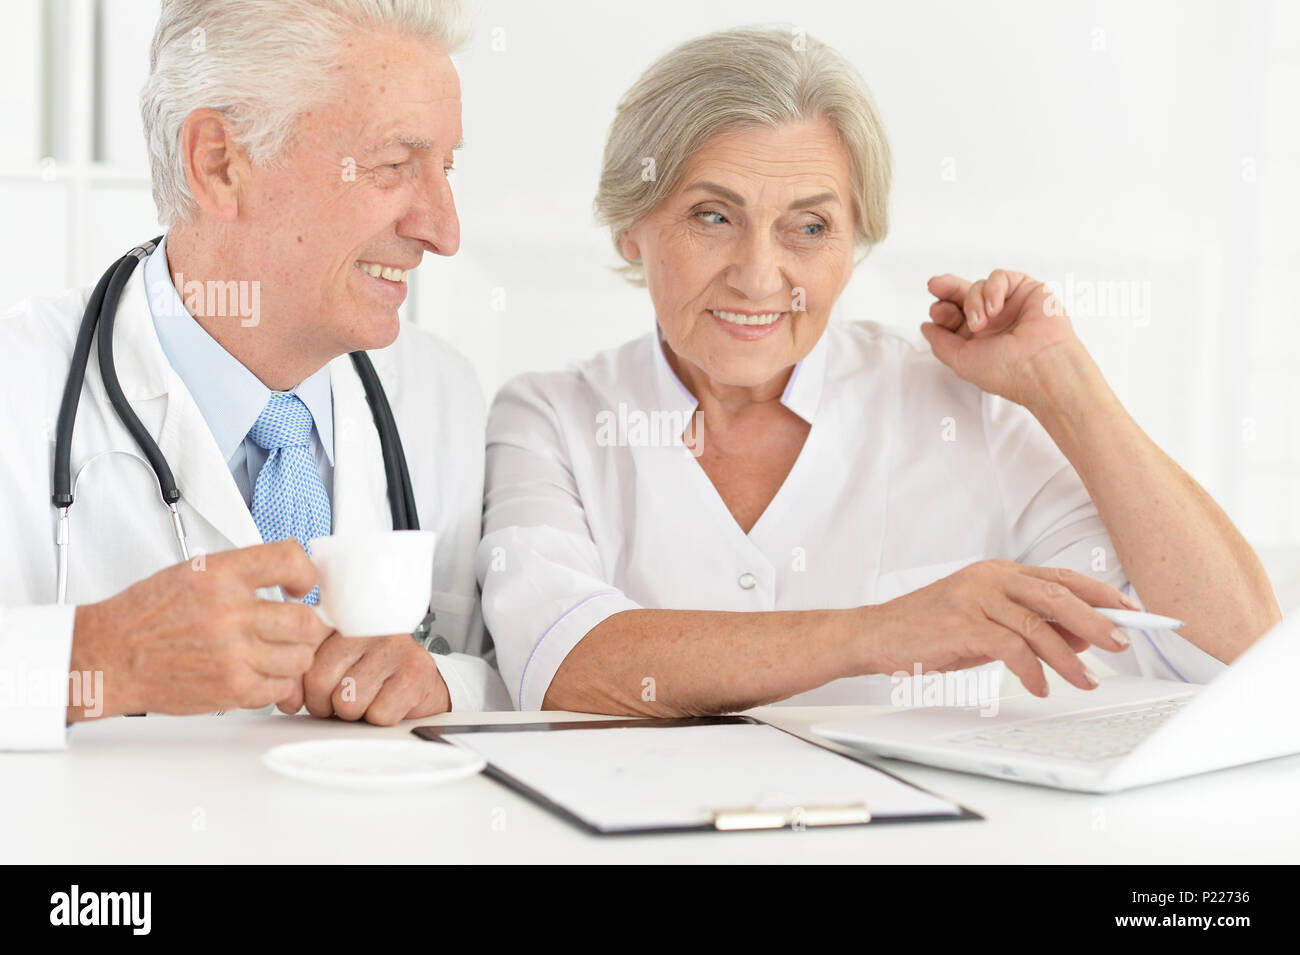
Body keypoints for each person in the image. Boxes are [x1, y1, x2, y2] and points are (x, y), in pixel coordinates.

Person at [478, 26, 1282, 715]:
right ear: (632, 225)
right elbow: (563, 661)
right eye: (713, 216)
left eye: (810, 226)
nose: (760, 277)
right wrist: (883, 630)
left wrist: (1067, 385)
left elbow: (1230, 652)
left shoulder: (964, 411)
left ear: (855, 241)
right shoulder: (549, 418)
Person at [0, 0, 509, 751]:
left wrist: (446, 683)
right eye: (395, 165)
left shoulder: (444, 396)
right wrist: (97, 659)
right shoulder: (19, 385)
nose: (443, 229)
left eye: (447, 166)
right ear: (219, 163)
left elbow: (521, 671)